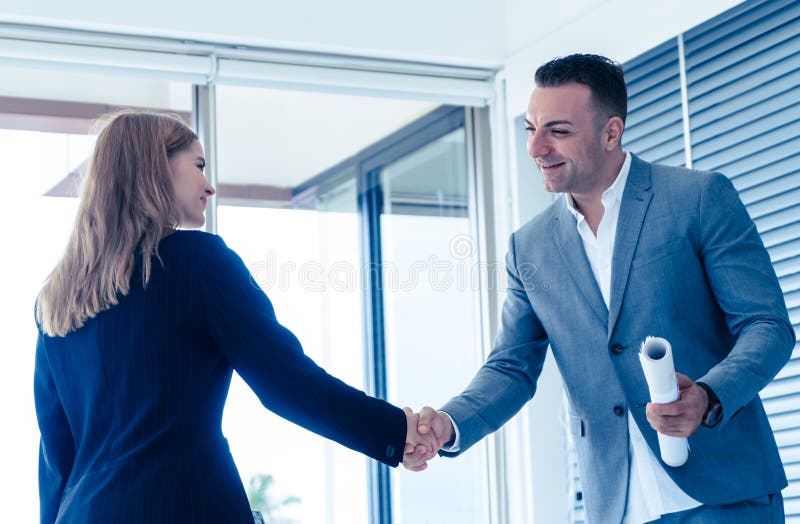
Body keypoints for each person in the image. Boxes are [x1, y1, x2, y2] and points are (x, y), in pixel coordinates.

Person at [402, 54, 795, 523]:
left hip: (725, 493)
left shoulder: (698, 197)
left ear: (611, 132)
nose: (536, 148)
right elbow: (511, 367)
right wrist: (449, 424)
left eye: (558, 131)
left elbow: (767, 326)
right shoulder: (529, 246)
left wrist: (708, 396)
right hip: (616, 505)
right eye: (531, 129)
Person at [33, 111, 433, 524]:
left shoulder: (57, 299)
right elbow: (287, 382)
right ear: (157, 168)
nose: (209, 185)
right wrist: (393, 430)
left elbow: (56, 457)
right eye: (199, 165)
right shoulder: (201, 263)